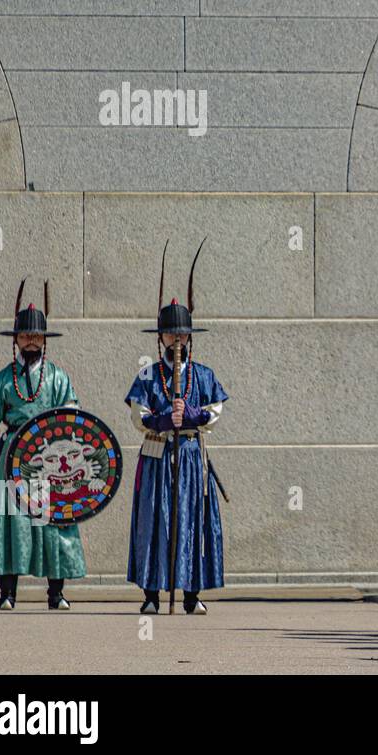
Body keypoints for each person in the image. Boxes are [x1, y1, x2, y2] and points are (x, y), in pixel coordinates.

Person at [126, 243, 229, 615]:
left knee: (193, 520)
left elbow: (216, 412)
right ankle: (152, 594)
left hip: (189, 455)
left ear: (190, 337)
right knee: (156, 520)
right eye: (171, 336)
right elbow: (137, 415)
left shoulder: (204, 375)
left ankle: (191, 594)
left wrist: (193, 416)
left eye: (182, 335)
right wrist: (161, 419)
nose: (177, 341)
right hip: (157, 455)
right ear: (161, 338)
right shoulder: (148, 374)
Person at [0, 281, 84, 610]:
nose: (31, 341)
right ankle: (7, 592)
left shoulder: (59, 378)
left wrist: (61, 432)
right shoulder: (4, 379)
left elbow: (73, 413)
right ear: (17, 341)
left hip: (51, 456)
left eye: (36, 336)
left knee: (52, 519)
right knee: (9, 519)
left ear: (44, 340)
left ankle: (56, 592)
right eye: (25, 336)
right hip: (13, 453)